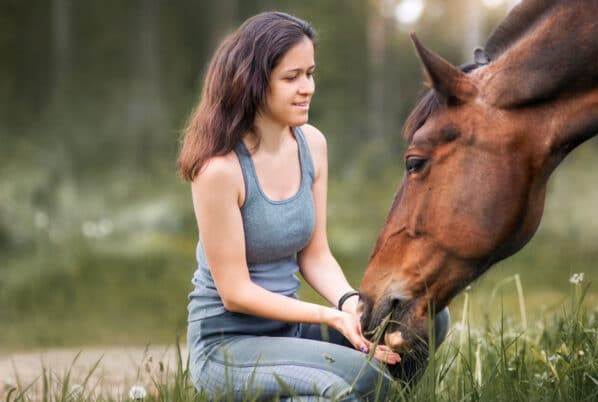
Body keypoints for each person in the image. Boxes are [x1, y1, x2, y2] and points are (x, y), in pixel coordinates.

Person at [177, 11, 447, 401]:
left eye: (310, 73)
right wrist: (328, 316)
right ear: (251, 82)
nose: (307, 88)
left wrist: (351, 304)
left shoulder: (312, 145)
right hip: (227, 346)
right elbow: (235, 292)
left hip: (289, 334)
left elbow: (315, 254)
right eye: (291, 78)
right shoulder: (219, 170)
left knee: (425, 318)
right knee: (357, 379)